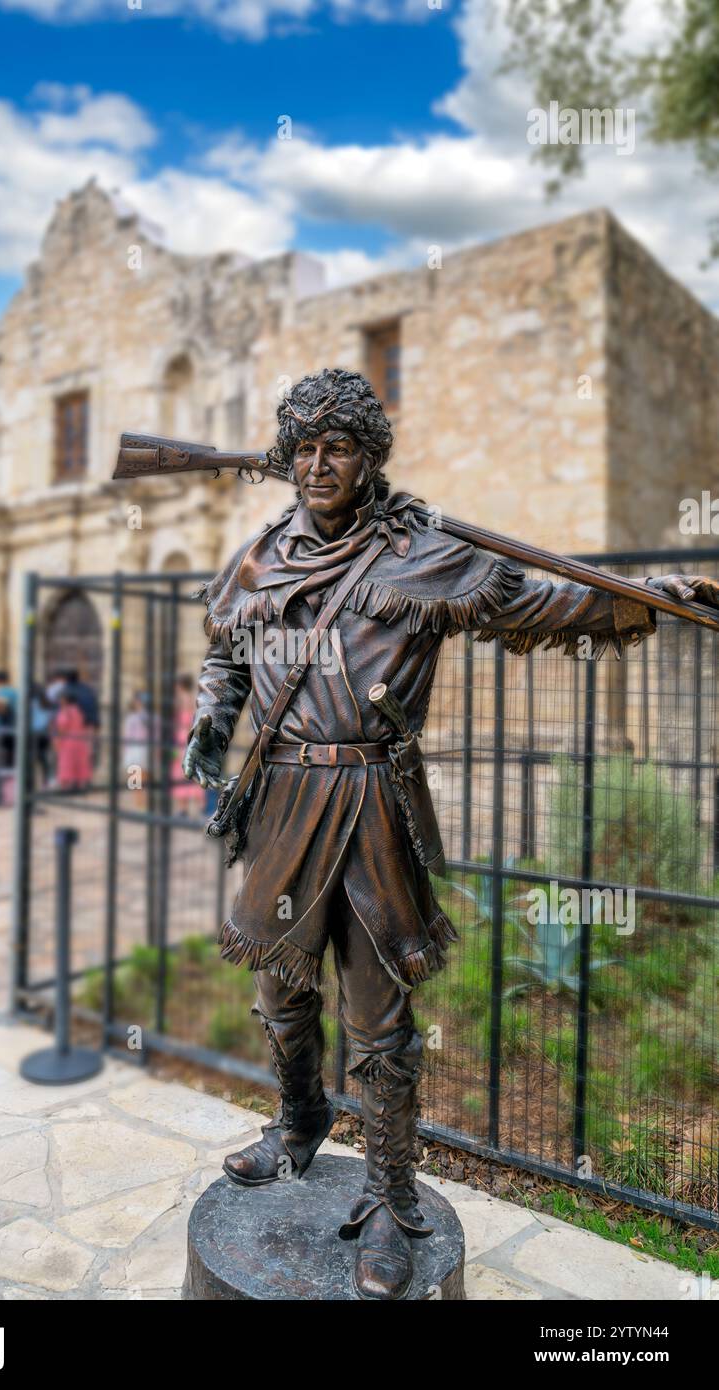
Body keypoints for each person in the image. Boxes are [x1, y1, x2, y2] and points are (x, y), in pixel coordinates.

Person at [181, 367, 719, 1300]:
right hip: (278, 804)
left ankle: (393, 1198)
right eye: (302, 448)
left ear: (368, 457)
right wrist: (208, 725)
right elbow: (227, 654)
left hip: (370, 809)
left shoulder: (422, 554)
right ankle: (299, 1119)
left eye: (337, 448)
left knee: (379, 1019)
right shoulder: (259, 556)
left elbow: (550, 603)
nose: (317, 465)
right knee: (279, 991)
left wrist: (654, 596)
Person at [171, 674, 203, 815]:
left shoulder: (183, 700)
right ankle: (198, 808)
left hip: (183, 739)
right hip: (191, 739)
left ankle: (184, 808)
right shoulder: (194, 698)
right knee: (192, 772)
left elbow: (183, 722)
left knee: (181, 772)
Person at [53, 692, 93, 792]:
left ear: (66, 700)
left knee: (66, 762)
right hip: (80, 740)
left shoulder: (65, 711)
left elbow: (62, 726)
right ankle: (79, 783)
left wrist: (57, 740)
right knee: (79, 761)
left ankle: (66, 785)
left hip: (68, 741)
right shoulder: (79, 711)